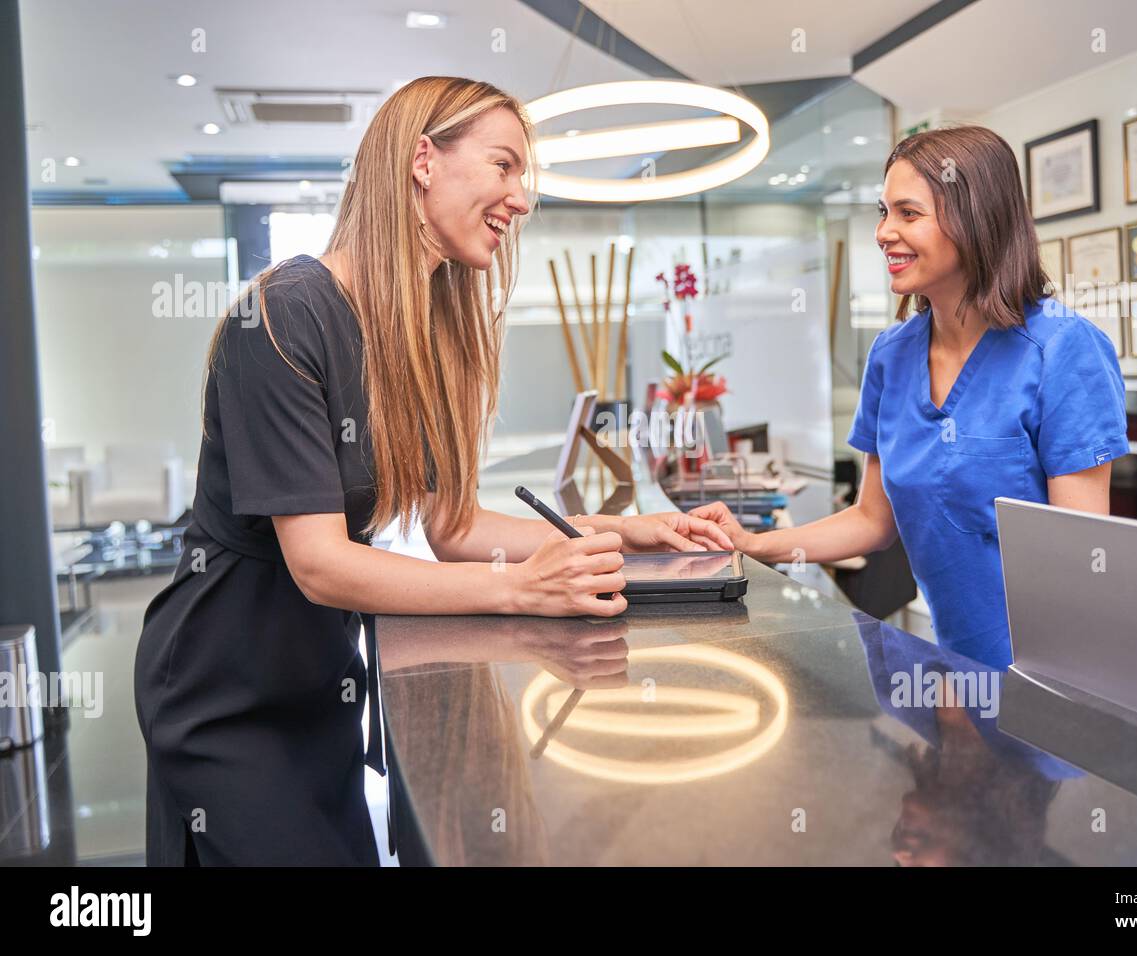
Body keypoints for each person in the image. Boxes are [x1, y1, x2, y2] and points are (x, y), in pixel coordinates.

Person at [134, 76, 731, 866]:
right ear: (423, 160)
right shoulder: (286, 315)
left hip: (321, 676)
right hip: (224, 690)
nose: (521, 199)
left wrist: (623, 528)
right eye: (504, 165)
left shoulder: (419, 326)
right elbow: (318, 562)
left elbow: (448, 526)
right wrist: (520, 589)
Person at [692, 125, 1128, 670]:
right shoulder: (891, 355)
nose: (882, 231)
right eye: (883, 211)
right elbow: (872, 521)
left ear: (975, 219)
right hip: (952, 658)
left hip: (1053, 669)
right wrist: (751, 545)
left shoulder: (1064, 350)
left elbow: (1081, 562)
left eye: (908, 213)